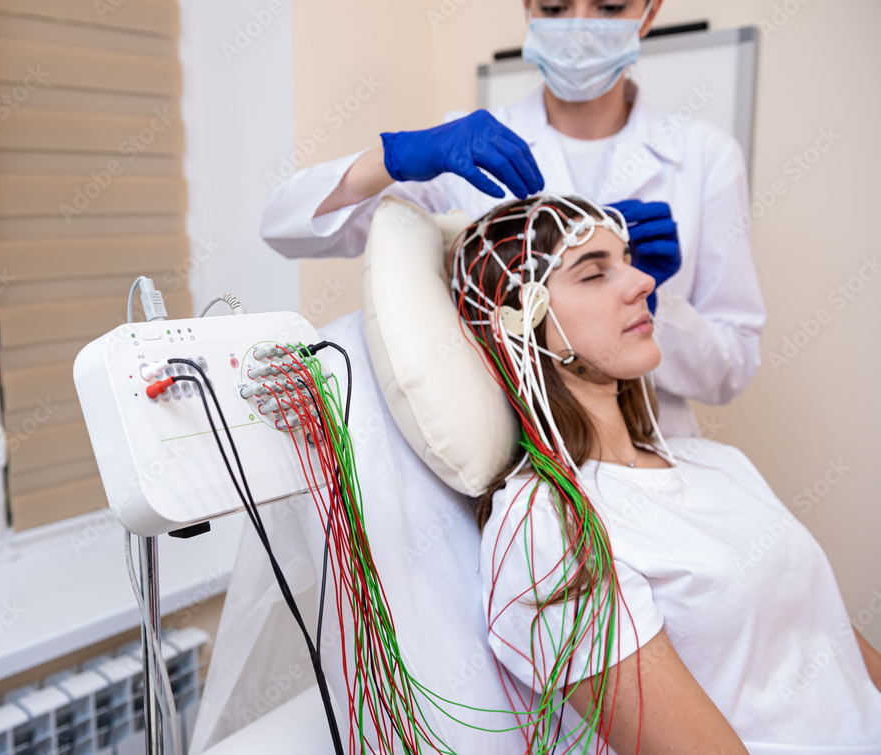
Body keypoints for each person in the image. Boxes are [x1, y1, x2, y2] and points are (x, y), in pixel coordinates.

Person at [451, 193, 881, 753]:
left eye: (627, 260)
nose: (643, 283)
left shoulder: (715, 462)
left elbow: (829, 638)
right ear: (518, 322)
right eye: (594, 274)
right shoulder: (547, 527)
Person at [261, 0, 766, 438]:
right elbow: (286, 226)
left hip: (652, 445)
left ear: (650, 12)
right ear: (527, 7)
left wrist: (653, 302)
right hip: (513, 456)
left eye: (609, 7)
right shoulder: (469, 151)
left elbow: (733, 368)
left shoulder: (706, 156)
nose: (579, 26)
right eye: (554, 7)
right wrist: (395, 156)